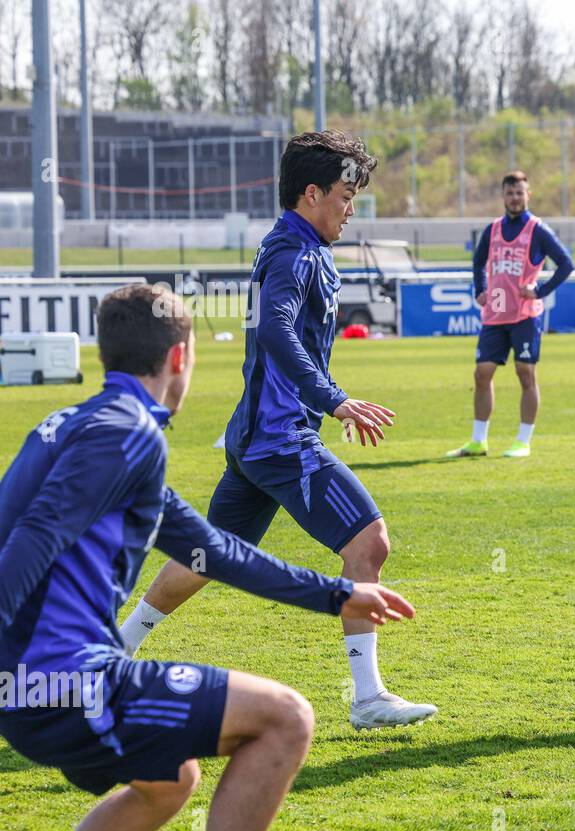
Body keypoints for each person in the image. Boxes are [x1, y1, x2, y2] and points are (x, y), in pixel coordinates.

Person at [0, 284, 415, 831]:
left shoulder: (76, 423)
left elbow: (214, 551)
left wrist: (337, 594)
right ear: (179, 359)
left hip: (30, 687)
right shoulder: (127, 433)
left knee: (170, 778)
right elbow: (31, 543)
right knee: (286, 719)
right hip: (64, 685)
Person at [118, 130, 435, 730]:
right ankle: (367, 696)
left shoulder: (296, 246)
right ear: (310, 193)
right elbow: (276, 333)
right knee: (369, 544)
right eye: (344, 194)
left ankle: (115, 651)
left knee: (205, 554)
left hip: (255, 438)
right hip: (282, 438)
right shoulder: (293, 254)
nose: (351, 207)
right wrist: (333, 401)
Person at [445, 170, 574, 459]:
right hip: (496, 313)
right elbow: (478, 261)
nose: (515, 198)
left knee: (525, 373)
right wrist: (480, 289)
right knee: (482, 374)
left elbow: (566, 263)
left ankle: (523, 441)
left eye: (520, 193)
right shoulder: (492, 229)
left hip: (525, 314)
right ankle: (478, 441)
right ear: (503, 196)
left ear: (528, 195)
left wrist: (540, 290)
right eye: (510, 193)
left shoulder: (537, 229)